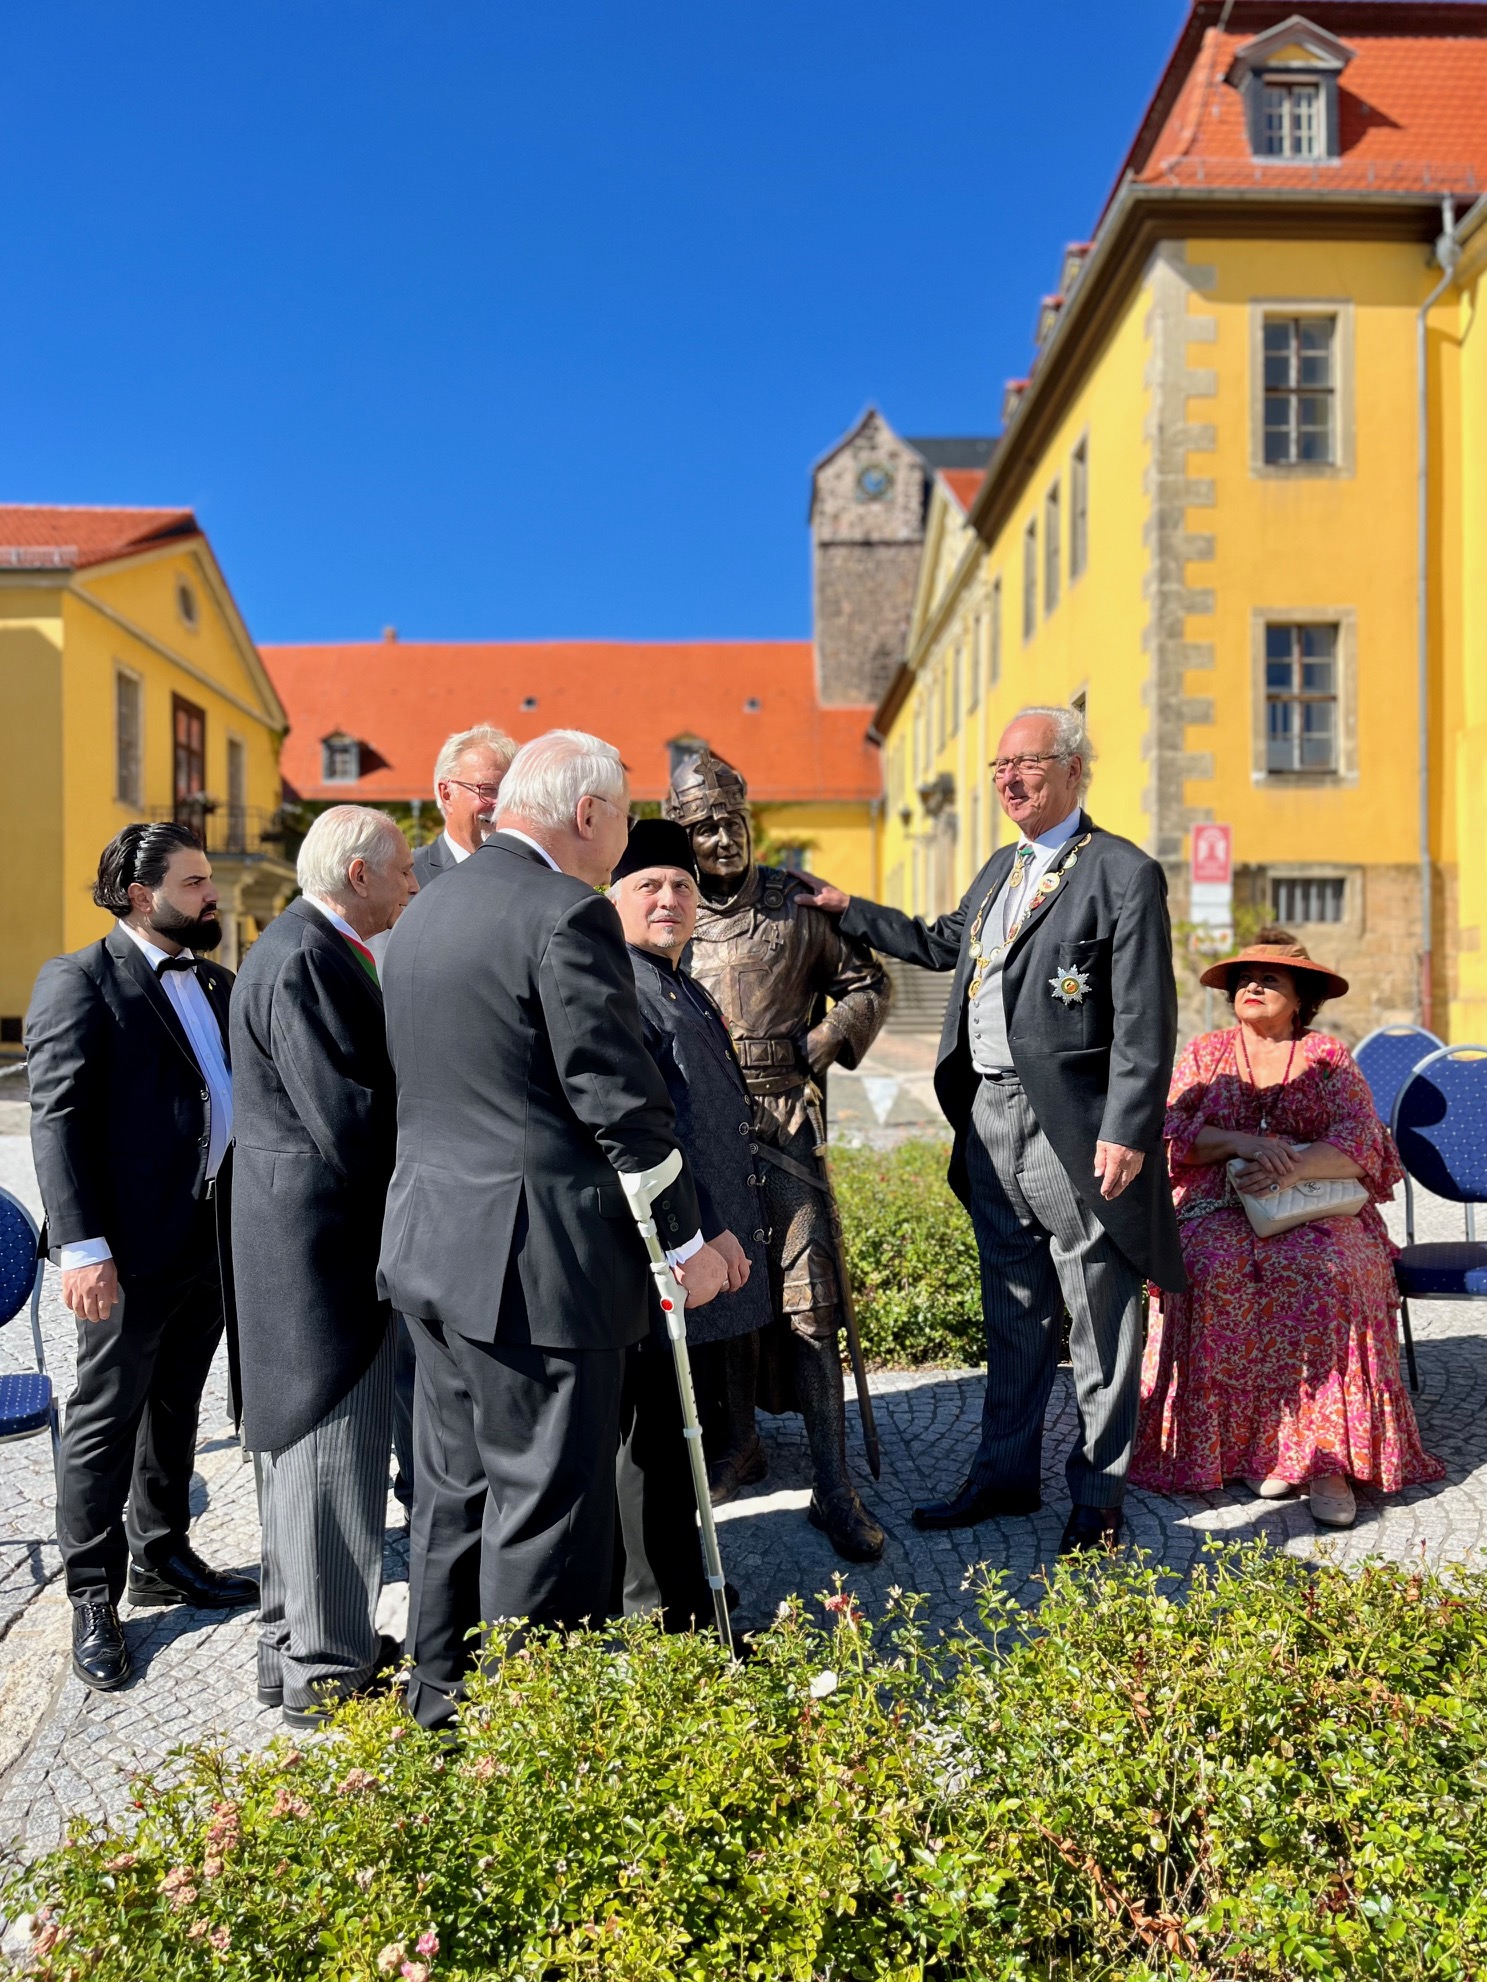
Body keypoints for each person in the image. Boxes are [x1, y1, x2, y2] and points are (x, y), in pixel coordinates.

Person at [379, 729, 731, 1731]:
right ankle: (532, 1740)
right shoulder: (566, 913)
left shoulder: (429, 903)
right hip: (537, 1268)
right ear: (586, 814)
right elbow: (621, 1102)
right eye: (622, 815)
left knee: (454, 1495)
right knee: (548, 1506)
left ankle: (440, 1700)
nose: (622, 839)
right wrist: (683, 1244)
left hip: (434, 1252)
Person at [803, 706, 1185, 1554]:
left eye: (1028, 764)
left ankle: (1098, 1494)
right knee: (1012, 1309)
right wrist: (848, 908)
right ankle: (1005, 1476)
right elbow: (940, 943)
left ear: (1075, 769)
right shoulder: (1000, 870)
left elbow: (1145, 1019)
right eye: (998, 768)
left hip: (1072, 1127)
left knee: (1095, 1310)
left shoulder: (1121, 873)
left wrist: (1125, 1128)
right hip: (987, 1118)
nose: (1009, 780)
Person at [25, 822, 257, 1692]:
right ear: (138, 892)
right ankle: (93, 1596)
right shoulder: (78, 980)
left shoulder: (215, 980)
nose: (211, 897)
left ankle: (163, 1552)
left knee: (176, 1408)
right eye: (195, 883)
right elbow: (58, 1122)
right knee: (105, 1418)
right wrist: (82, 1248)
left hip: (206, 1237)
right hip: (121, 1252)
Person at [1131, 930, 1443, 1528]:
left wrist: (1285, 1168)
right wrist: (1245, 1145)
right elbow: (1168, 1132)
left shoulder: (1328, 1058)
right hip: (1218, 1204)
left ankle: (1327, 1462)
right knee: (1212, 1267)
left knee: (1328, 1272)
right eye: (1245, 978)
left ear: (1301, 997)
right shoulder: (1205, 1054)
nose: (1252, 986)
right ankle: (1248, 1448)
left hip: (1315, 1205)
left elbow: (1361, 1144)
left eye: (1270, 979)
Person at [663, 749, 891, 1564]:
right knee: (722, 1294)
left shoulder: (797, 905)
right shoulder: (673, 914)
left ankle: (834, 1483)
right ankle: (738, 1443)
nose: (721, 839)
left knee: (810, 1301)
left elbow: (865, 984)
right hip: (705, 1136)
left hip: (787, 1125)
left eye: (731, 821)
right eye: (702, 828)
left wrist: (825, 1040)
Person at [230, 806, 417, 1726]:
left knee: (300, 1461)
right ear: (357, 876)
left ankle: (291, 1649)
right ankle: (329, 1672)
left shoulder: (298, 944)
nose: (413, 884)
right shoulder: (310, 955)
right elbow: (351, 1120)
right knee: (331, 1459)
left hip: (297, 1246)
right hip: (322, 1257)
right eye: (402, 870)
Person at [606, 818, 771, 1628]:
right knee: (651, 1437)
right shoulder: (619, 985)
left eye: (680, 885)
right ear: (614, 900)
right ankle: (657, 1610)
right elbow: (642, 1131)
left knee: (683, 1434)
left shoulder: (680, 979)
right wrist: (692, 1233)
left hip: (706, 1238)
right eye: (648, 886)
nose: (669, 898)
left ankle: (684, 1584)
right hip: (667, 1245)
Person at [409, 723, 519, 889]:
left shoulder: (532, 875)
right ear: (447, 794)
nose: (501, 803)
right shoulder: (410, 878)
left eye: (508, 792)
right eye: (488, 790)